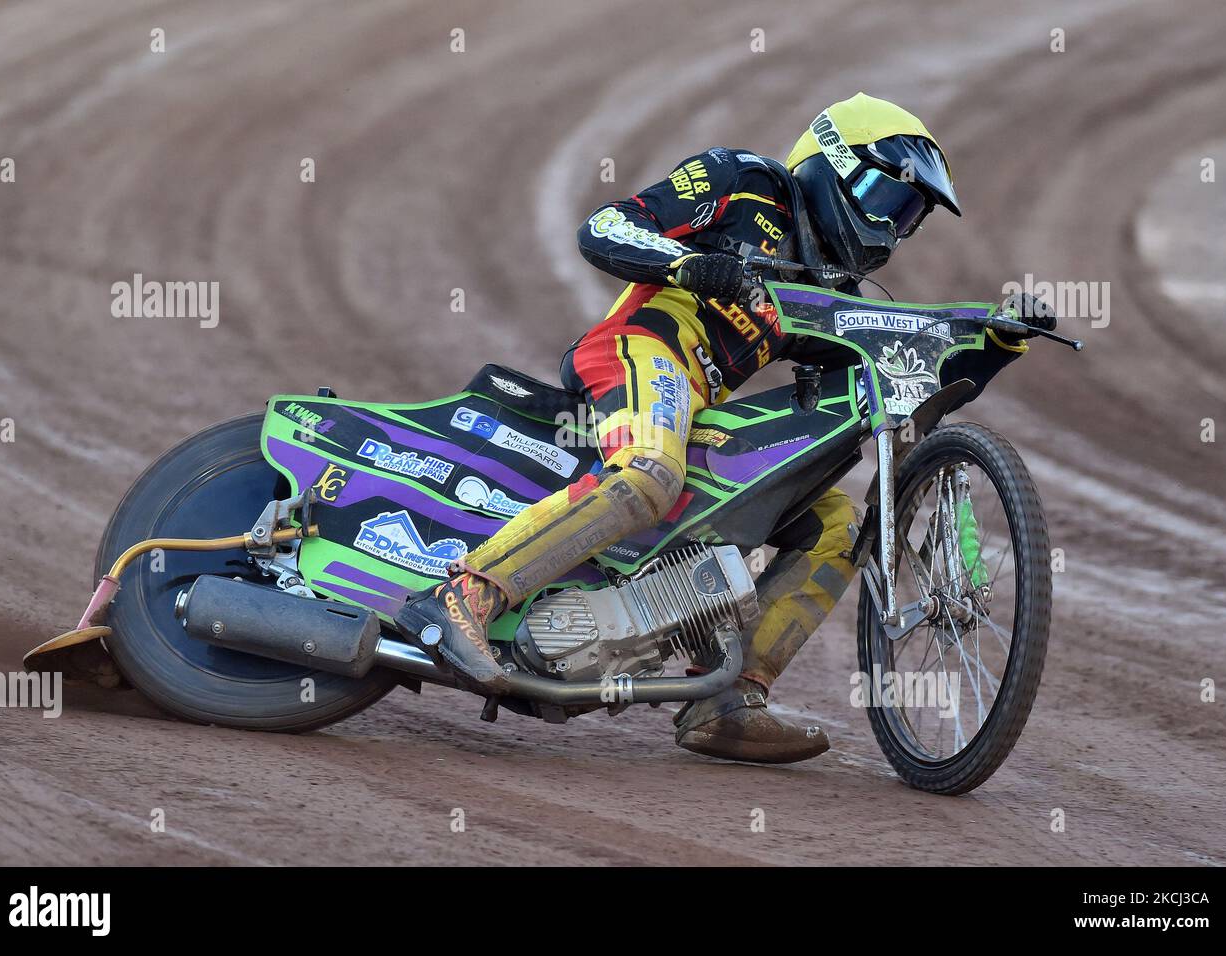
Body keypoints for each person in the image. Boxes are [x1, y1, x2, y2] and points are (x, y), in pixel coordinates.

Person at [397, 93, 1052, 763]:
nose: (890, 225)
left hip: (696, 400)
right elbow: (606, 227)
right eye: (884, 196)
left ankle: (726, 699)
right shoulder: (743, 182)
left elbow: (911, 382)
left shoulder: (835, 294)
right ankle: (461, 595)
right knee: (650, 475)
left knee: (835, 528)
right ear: (829, 164)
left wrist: (995, 342)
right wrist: (685, 264)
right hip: (637, 348)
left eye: (907, 216)